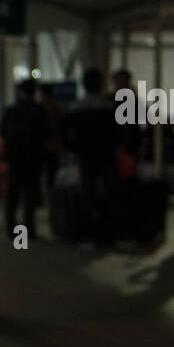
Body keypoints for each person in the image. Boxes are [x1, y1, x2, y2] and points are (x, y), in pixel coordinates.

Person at [66, 67, 122, 249]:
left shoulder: (76, 108)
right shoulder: (110, 107)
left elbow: (67, 135)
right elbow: (118, 132)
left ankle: (87, 234)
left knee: (87, 194)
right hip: (107, 155)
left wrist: (75, 149)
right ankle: (110, 234)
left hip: (85, 156)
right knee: (110, 193)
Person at [0, 79, 48, 238]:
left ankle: (11, 227)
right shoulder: (39, 111)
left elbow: (3, 132)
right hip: (33, 158)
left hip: (14, 158)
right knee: (30, 194)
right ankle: (29, 228)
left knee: (12, 193)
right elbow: (45, 134)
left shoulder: (11, 110)